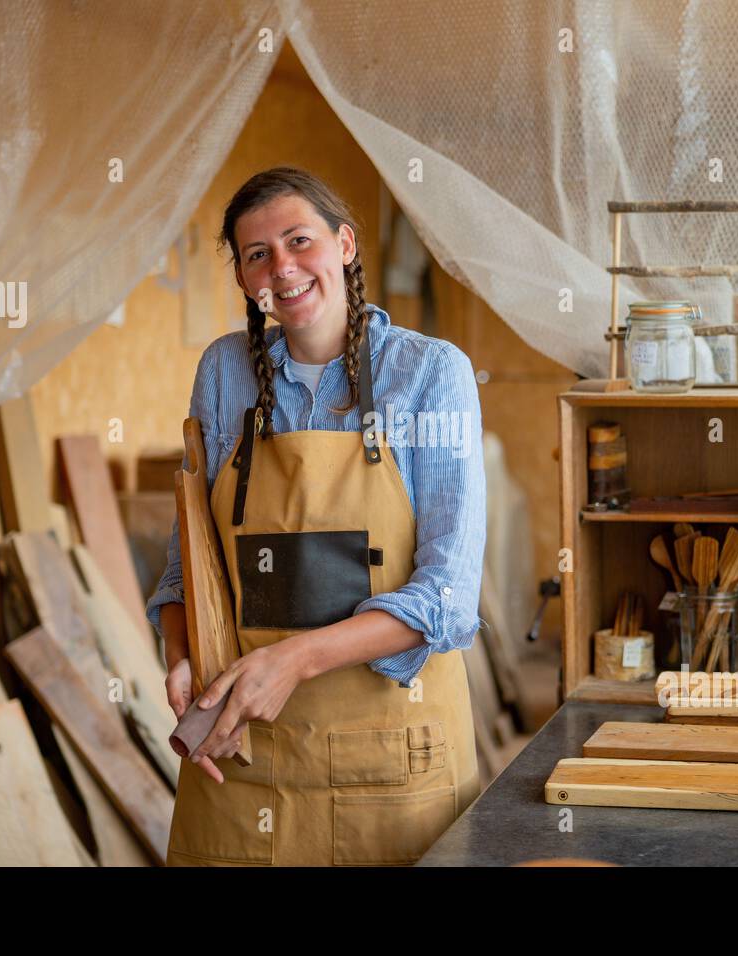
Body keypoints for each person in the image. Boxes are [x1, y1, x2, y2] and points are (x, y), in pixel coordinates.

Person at [146, 166, 486, 866]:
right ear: (243, 279)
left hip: (387, 756)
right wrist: (180, 655)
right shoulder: (224, 372)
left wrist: (295, 660)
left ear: (346, 246)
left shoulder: (429, 374)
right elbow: (189, 563)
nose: (283, 268)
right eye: (257, 254)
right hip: (243, 753)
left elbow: (448, 598)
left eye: (300, 241)